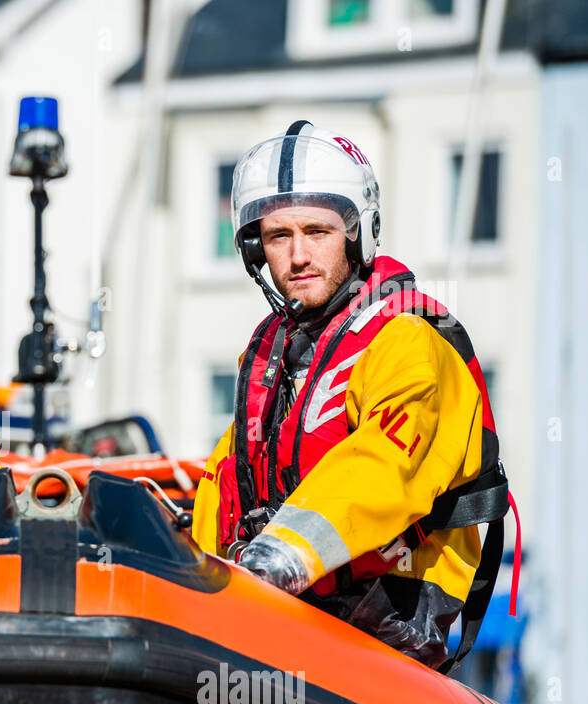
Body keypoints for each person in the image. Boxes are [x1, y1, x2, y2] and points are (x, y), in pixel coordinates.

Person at [190, 120, 510, 673]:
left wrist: (279, 556)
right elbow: (229, 478)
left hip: (386, 624)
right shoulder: (276, 354)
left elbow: (381, 467)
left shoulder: (407, 342)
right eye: (277, 236)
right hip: (289, 614)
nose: (296, 256)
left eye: (317, 231)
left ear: (358, 233)